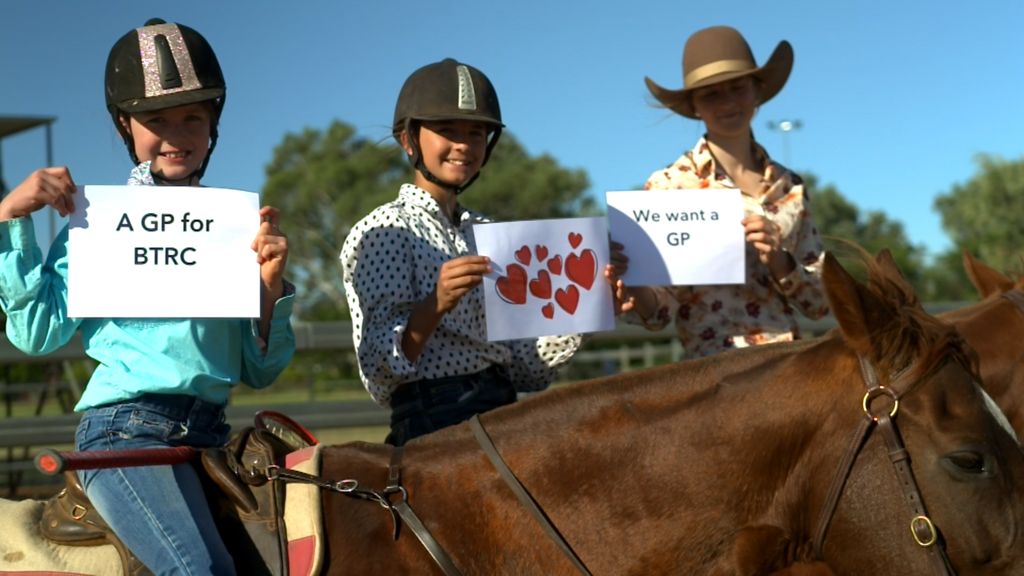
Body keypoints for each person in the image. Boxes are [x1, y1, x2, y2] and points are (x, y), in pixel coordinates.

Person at [0, 19, 294, 575]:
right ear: (124, 127)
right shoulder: (98, 225)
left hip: (212, 430)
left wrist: (270, 290)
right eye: (155, 120)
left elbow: (259, 371)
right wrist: (11, 220)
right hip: (125, 430)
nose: (175, 134)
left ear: (213, 125)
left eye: (192, 117)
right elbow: (37, 333)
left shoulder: (232, 230)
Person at [340, 58, 581, 446]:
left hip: (504, 407)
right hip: (432, 417)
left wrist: (583, 308)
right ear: (408, 139)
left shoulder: (489, 234)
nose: (463, 145)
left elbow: (525, 369)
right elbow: (381, 369)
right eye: (447, 131)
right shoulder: (384, 232)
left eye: (475, 133)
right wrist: (435, 304)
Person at [611, 26, 829, 358]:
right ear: (694, 105)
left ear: (757, 92)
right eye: (711, 93)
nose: (727, 102)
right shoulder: (668, 186)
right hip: (712, 377)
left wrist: (780, 260)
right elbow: (658, 313)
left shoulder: (790, 187)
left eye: (738, 88)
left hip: (789, 367)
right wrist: (631, 280)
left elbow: (820, 304)